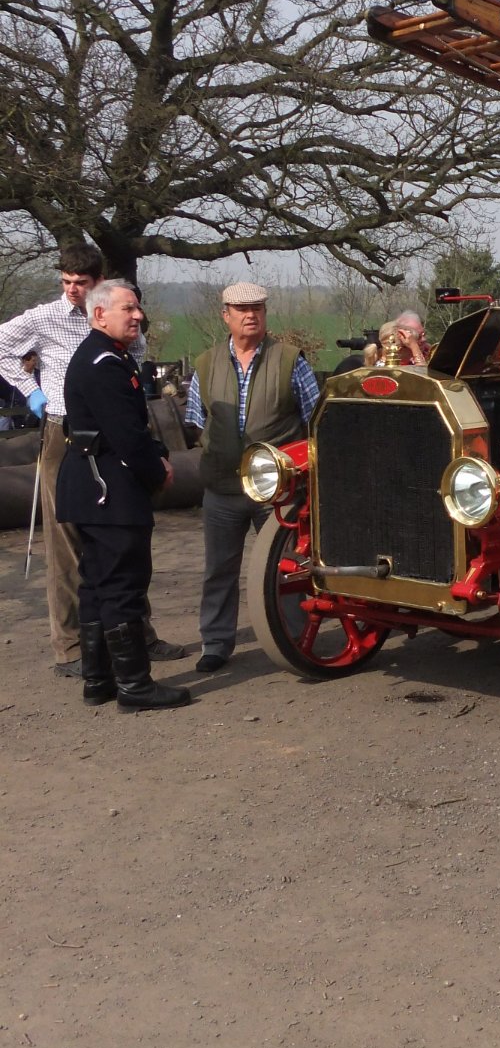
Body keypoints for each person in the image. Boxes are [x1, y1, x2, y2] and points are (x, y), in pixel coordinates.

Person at [0, 244, 182, 675]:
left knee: (125, 537)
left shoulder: (119, 311)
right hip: (64, 430)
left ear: (98, 281)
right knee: (65, 539)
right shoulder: (45, 316)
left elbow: (136, 358)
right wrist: (32, 392)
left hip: (115, 428)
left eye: (80, 283)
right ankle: (70, 646)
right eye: (65, 282)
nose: (72, 291)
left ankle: (138, 634)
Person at [55, 281, 190, 712]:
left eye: (138, 309)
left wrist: (157, 454)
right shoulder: (103, 363)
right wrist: (157, 471)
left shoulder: (111, 357)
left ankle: (99, 680)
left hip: (94, 485)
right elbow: (128, 436)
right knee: (122, 586)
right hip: (108, 488)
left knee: (97, 583)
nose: (137, 316)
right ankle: (134, 686)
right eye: (128, 309)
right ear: (99, 315)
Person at [184, 282, 320, 671]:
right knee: (219, 569)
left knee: (288, 568)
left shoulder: (291, 360)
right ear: (225, 314)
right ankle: (216, 643)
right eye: (241, 309)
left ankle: (295, 640)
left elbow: (316, 420)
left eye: (258, 308)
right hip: (223, 488)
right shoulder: (207, 364)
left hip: (278, 492)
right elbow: (197, 422)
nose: (251, 315)